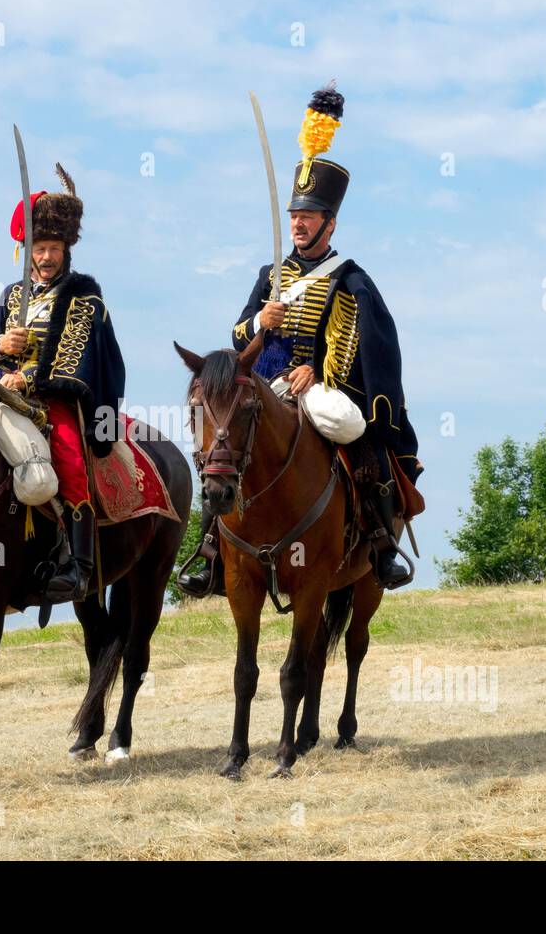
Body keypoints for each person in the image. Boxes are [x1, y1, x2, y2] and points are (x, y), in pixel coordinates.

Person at [179, 84, 422, 597]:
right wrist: (260, 323)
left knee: (353, 429)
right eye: (295, 217)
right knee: (221, 443)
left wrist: (320, 375)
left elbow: (362, 342)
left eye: (308, 218)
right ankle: (209, 554)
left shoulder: (349, 279)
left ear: (329, 223)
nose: (298, 225)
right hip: (265, 383)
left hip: (319, 385)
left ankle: (380, 545)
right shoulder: (271, 273)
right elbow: (238, 331)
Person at [0, 164, 126, 602]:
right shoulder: (10, 295)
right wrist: (4, 345)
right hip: (2, 392)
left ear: (66, 249)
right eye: (38, 248)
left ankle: (79, 567)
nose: (45, 258)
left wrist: (27, 377)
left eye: (53, 248)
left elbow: (77, 356)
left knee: (68, 460)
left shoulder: (84, 298)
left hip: (53, 400)